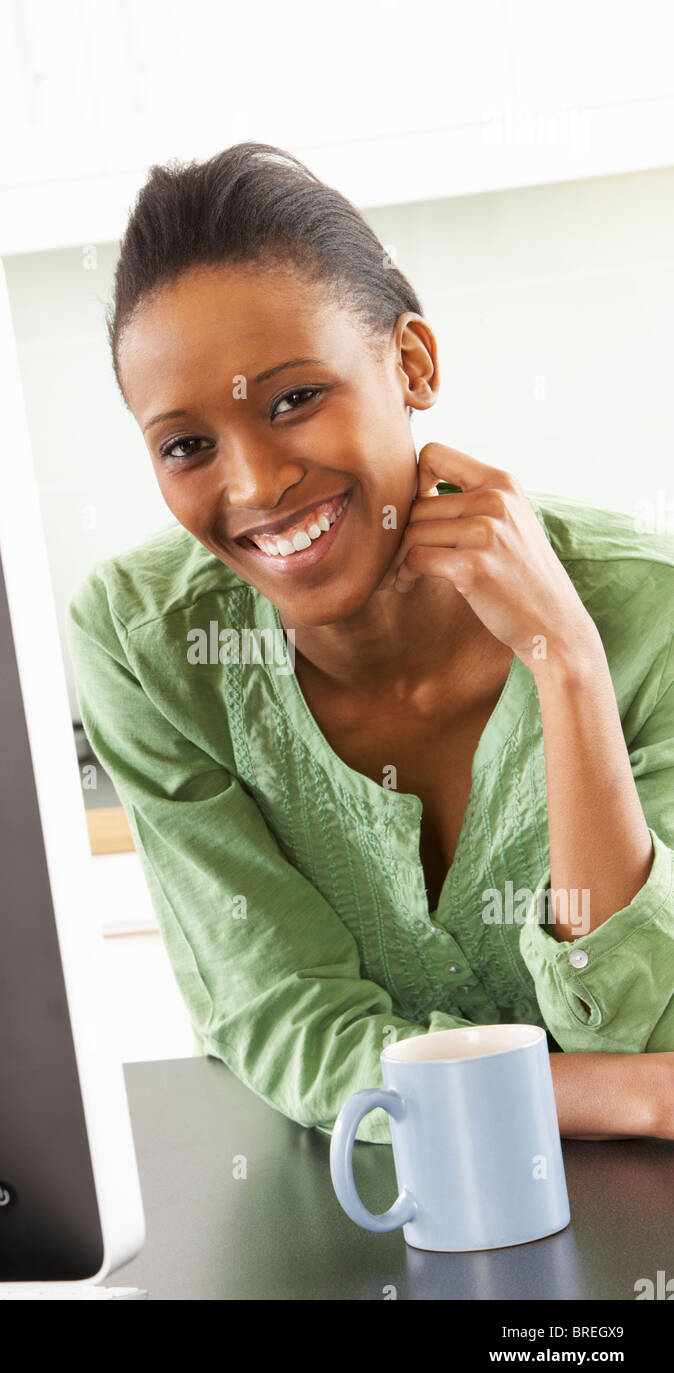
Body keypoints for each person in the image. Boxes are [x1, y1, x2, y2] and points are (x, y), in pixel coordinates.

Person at [67, 141, 674, 1144]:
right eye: (185, 446)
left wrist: (563, 660)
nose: (255, 486)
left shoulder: (645, 607)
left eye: (293, 398)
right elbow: (282, 1018)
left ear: (410, 364)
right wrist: (632, 1096)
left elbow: (648, 1012)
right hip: (354, 1204)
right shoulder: (145, 645)